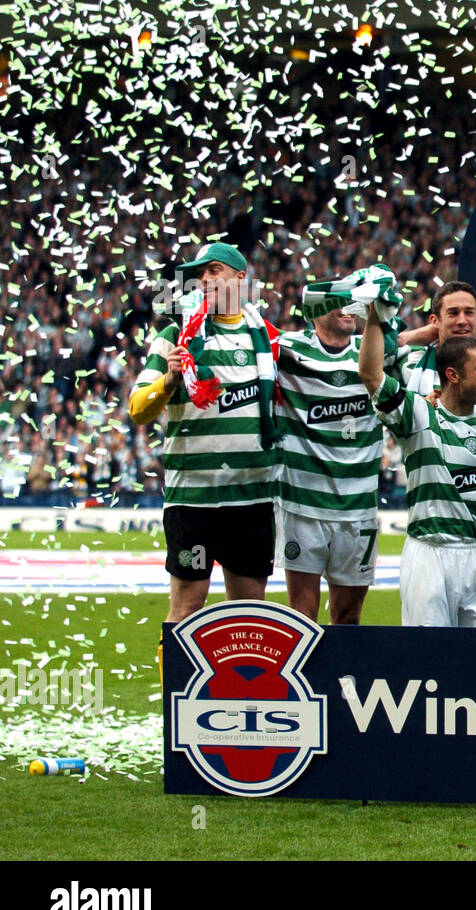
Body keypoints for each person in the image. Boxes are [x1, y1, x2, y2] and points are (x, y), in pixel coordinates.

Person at [128, 241, 279, 635]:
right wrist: (168, 380)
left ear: (240, 278)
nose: (205, 280)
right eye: (201, 274)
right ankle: (172, 697)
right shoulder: (175, 334)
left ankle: (237, 698)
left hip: (251, 498)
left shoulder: (268, 338)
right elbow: (137, 409)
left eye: (214, 271)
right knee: (187, 608)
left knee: (248, 614)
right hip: (193, 501)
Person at [359, 324, 476, 627]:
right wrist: (373, 316)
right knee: (429, 661)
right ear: (453, 375)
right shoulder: (421, 415)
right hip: (429, 554)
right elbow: (372, 376)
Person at [276, 303, 381, 624]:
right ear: (313, 310)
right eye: (337, 303)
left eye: (352, 302)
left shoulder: (374, 353)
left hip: (359, 510)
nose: (348, 309)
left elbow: (416, 339)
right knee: (302, 615)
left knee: (349, 618)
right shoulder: (286, 350)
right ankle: (306, 677)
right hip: (302, 507)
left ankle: (344, 677)